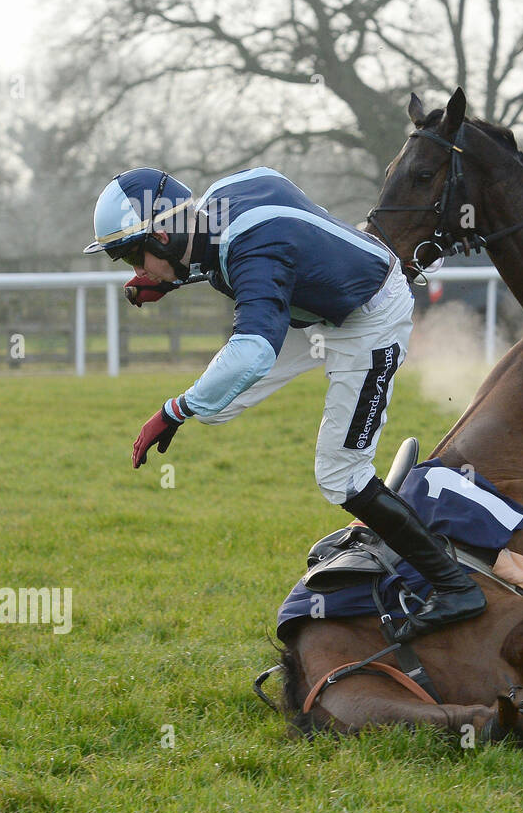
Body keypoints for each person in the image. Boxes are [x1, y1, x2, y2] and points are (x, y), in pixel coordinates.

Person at [82, 166, 485, 637]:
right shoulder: (219, 201)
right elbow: (260, 223)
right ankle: (390, 514)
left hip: (371, 315)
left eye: (134, 256)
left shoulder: (253, 247)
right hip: (325, 306)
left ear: (165, 234)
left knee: (340, 475)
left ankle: (455, 586)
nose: (136, 272)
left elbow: (253, 347)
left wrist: (173, 411)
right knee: (218, 405)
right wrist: (171, 280)